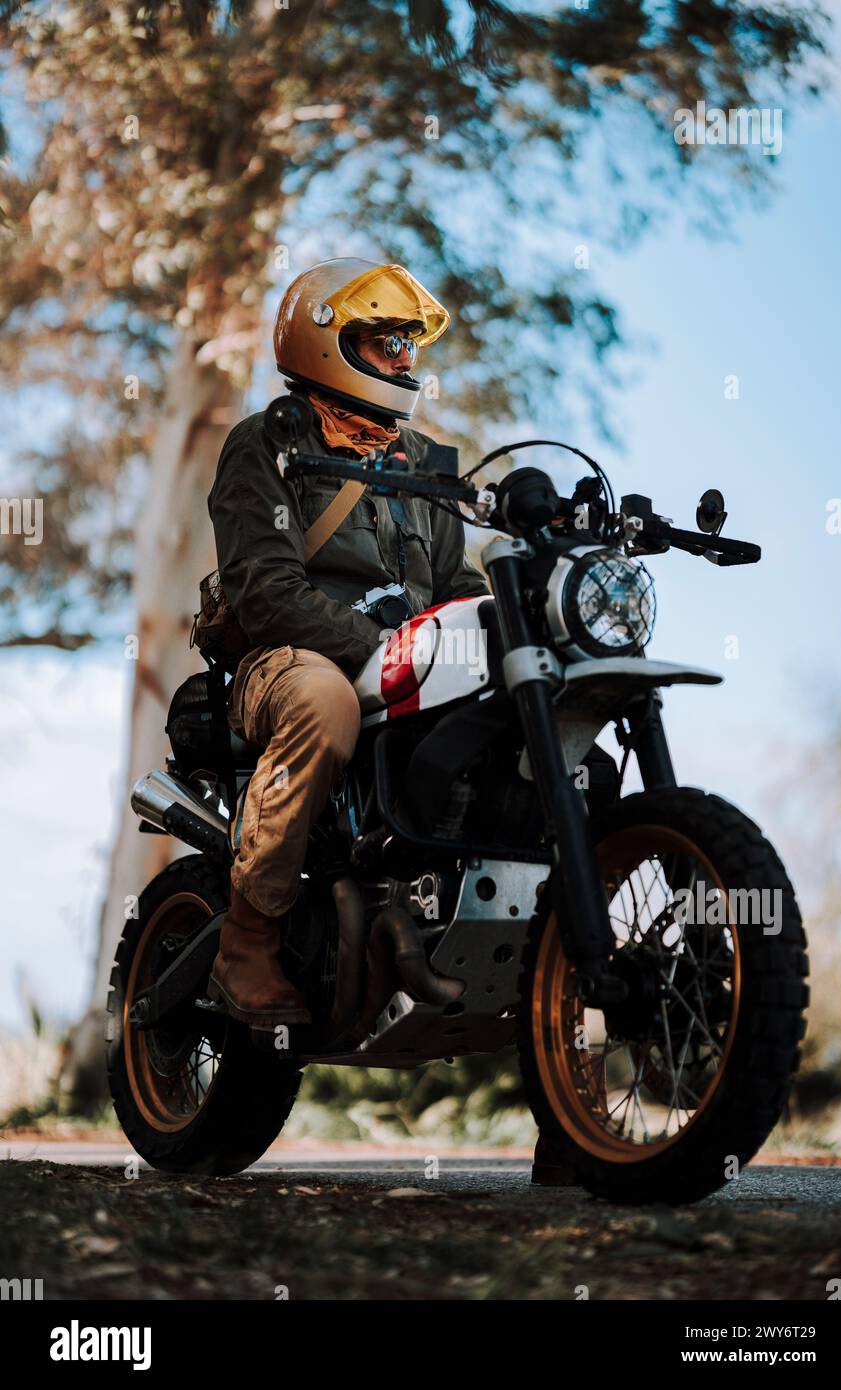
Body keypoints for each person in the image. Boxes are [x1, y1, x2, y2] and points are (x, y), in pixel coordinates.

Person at [206, 258, 490, 1027]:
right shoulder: (268, 444)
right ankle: (247, 939)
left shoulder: (420, 465)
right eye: (386, 342)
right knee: (325, 702)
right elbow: (264, 592)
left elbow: (454, 584)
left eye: (409, 346)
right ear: (328, 342)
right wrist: (379, 647)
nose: (404, 360)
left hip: (406, 666)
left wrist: (495, 628)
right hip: (288, 663)